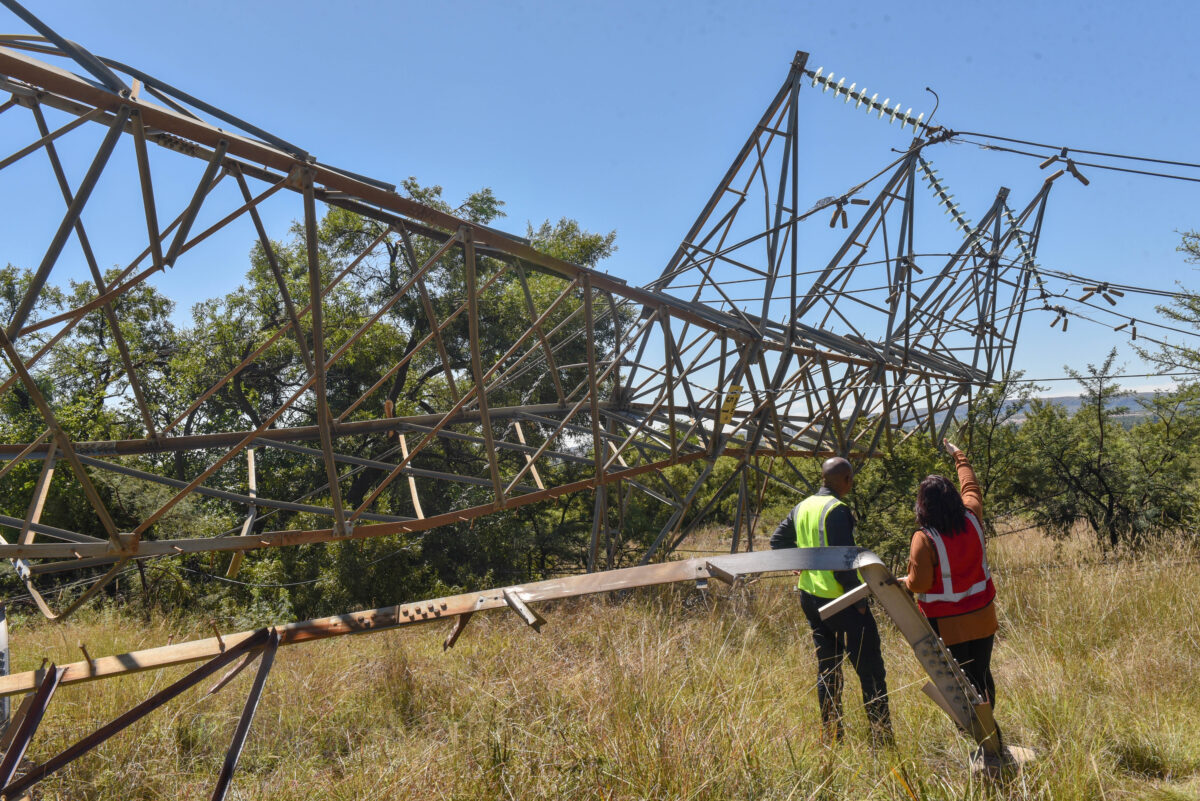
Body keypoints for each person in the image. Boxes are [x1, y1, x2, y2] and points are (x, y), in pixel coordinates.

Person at [770, 457, 892, 745]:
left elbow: (777, 541)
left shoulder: (802, 506)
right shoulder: (837, 509)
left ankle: (833, 738)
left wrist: (799, 562)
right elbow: (842, 562)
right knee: (871, 671)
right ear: (846, 480)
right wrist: (859, 601)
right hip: (840, 601)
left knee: (828, 671)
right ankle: (882, 741)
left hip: (810, 598)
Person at [903, 439, 1000, 719]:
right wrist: (958, 455)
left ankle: (976, 732)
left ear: (923, 505)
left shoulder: (924, 538)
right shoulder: (972, 515)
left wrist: (905, 583)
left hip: (947, 626)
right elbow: (970, 486)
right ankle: (988, 726)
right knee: (981, 673)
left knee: (959, 682)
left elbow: (919, 584)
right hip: (983, 615)